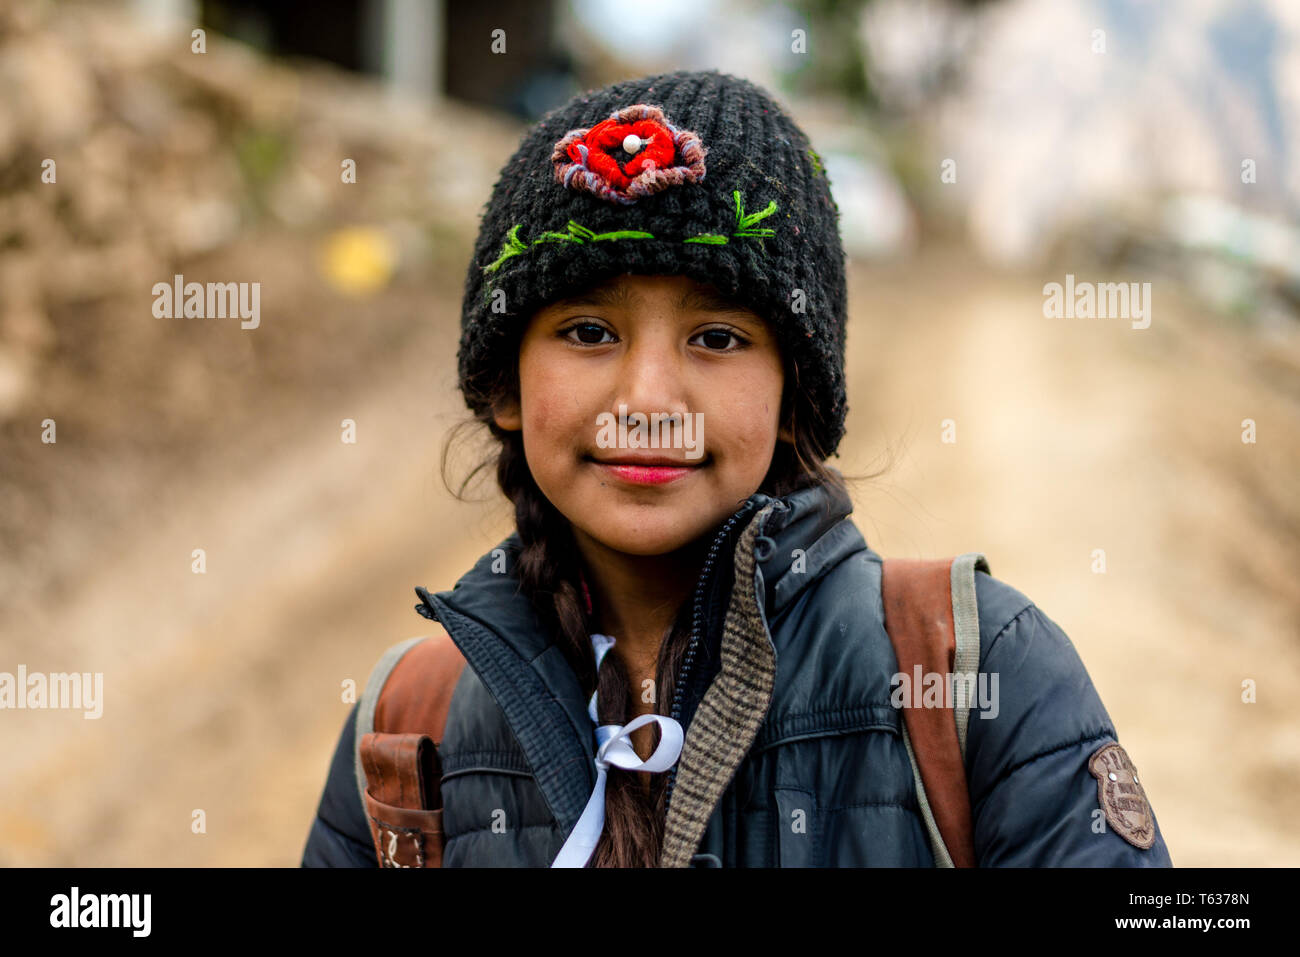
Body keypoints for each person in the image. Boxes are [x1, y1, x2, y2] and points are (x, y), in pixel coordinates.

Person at [301, 69, 1173, 868]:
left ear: (795, 392)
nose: (647, 397)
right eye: (588, 332)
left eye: (716, 338)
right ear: (506, 389)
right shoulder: (407, 731)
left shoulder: (977, 675)